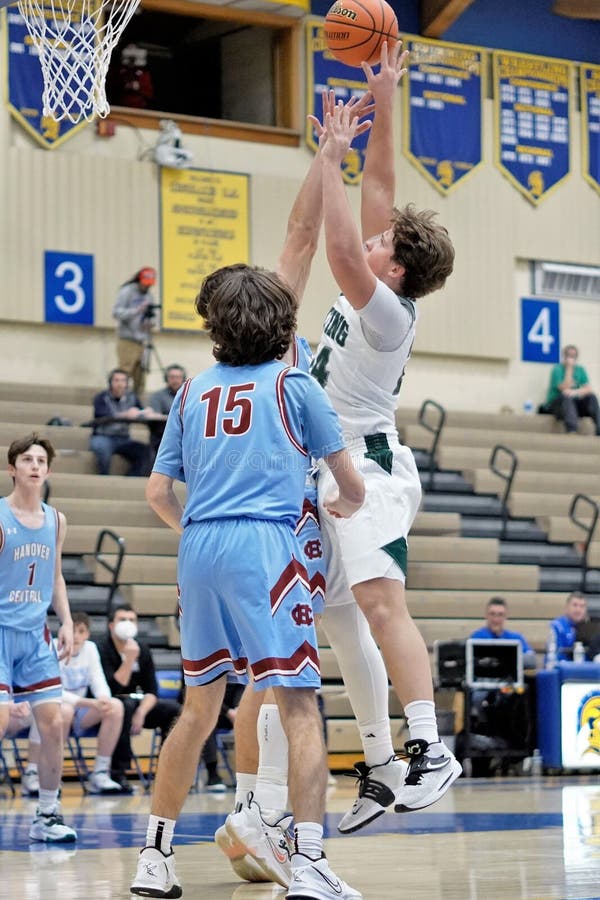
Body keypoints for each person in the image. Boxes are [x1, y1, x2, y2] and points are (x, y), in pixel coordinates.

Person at [130, 265, 365, 900]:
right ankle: (311, 863)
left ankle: (154, 858)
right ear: (280, 324)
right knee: (299, 705)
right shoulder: (296, 384)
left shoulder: (190, 391)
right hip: (265, 546)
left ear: (215, 326)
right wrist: (337, 507)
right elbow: (353, 487)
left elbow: (157, 492)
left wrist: (199, 534)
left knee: (200, 707)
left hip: (199, 547)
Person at [310, 40, 461, 832]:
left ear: (395, 271)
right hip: (329, 470)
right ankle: (377, 766)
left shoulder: (385, 308)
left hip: (367, 468)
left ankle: (431, 748)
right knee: (341, 621)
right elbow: (383, 189)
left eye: (382, 247)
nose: (373, 240)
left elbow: (341, 246)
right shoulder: (388, 279)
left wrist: (327, 156)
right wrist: (385, 95)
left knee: (379, 602)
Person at [0, 433, 77, 842]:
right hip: (0, 632)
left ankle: (47, 815)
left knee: (54, 722)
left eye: (40, 460)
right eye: (26, 459)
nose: (34, 465)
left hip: (35, 636)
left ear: (48, 470)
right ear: (12, 469)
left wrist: (64, 621)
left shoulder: (56, 520)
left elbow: (56, 576)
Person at [25, 610, 124, 795]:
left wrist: (104, 698)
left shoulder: (91, 649)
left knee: (115, 707)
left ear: (87, 634)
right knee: (63, 710)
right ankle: (47, 773)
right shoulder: (52, 647)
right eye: (73, 631)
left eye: (81, 631)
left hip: (80, 711)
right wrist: (87, 702)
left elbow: (98, 679)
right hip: (57, 708)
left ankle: (100, 773)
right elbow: (52, 690)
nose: (76, 636)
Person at [95, 603, 181, 793]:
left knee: (174, 711)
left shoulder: (142, 648)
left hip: (136, 706)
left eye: (132, 620)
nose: (127, 623)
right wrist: (129, 659)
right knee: (123, 706)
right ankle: (119, 772)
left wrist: (142, 712)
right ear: (111, 625)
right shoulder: (101, 647)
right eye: (122, 620)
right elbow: (112, 688)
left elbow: (152, 690)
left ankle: (167, 770)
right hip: (107, 707)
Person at [89, 368, 152, 476]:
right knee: (102, 449)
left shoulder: (132, 397)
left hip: (123, 438)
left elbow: (139, 411)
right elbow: (104, 415)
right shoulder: (101, 398)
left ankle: (131, 479)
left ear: (127, 384)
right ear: (110, 383)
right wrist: (126, 414)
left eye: (123, 381)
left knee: (146, 452)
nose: (120, 384)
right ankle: (103, 479)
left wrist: (145, 412)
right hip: (103, 436)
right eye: (116, 380)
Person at [112, 266, 159, 395]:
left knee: (141, 375)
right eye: (145, 284)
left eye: (149, 285)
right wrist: (136, 311)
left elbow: (152, 315)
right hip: (127, 340)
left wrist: (150, 323)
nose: (147, 287)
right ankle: (120, 400)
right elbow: (116, 312)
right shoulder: (127, 291)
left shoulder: (149, 295)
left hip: (142, 340)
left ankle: (137, 402)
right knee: (125, 373)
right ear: (139, 280)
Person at [544, 344, 600, 435]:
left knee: (592, 397)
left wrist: (575, 392)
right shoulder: (557, 369)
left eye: (573, 356)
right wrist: (569, 368)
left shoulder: (580, 369)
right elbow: (564, 388)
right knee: (566, 397)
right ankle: (572, 430)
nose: (571, 358)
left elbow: (588, 389)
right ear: (564, 356)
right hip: (557, 406)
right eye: (569, 355)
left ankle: (599, 430)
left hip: (575, 406)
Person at [470, 597, 537, 669]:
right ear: (486, 615)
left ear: (505, 617)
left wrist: (500, 659)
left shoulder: (516, 638)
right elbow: (470, 661)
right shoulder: (476, 637)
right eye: (492, 614)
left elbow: (531, 661)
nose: (496, 619)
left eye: (500, 614)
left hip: (510, 679)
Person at [148, 364, 187, 458]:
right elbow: (154, 416)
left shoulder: (189, 396)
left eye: (178, 377)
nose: (175, 380)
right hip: (162, 436)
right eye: (172, 377)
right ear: (166, 379)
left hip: (185, 435)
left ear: (183, 379)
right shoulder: (157, 396)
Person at [550, 591, 589, 661]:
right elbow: (555, 654)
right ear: (566, 607)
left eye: (582, 606)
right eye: (575, 605)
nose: (578, 610)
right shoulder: (557, 626)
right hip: (563, 668)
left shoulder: (591, 628)